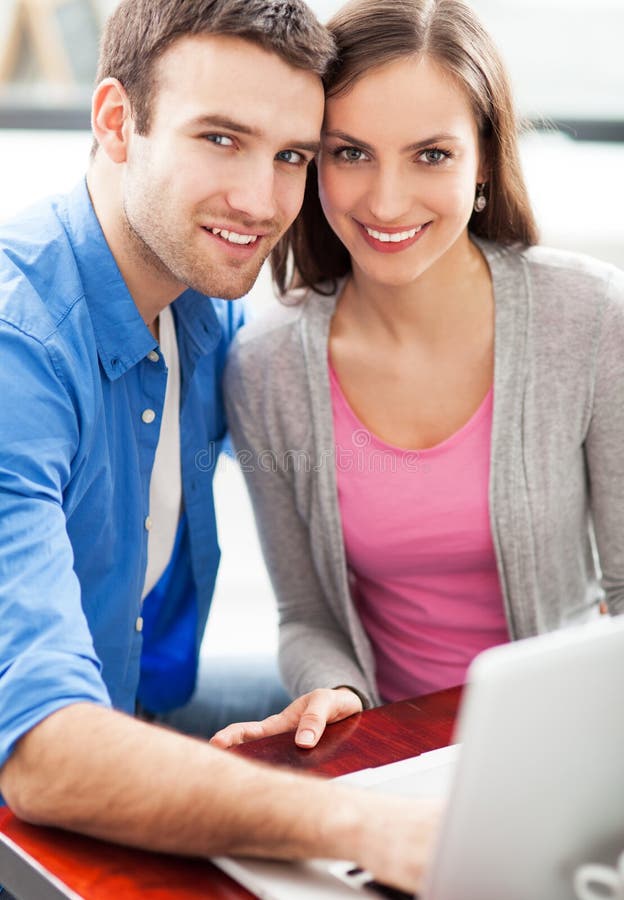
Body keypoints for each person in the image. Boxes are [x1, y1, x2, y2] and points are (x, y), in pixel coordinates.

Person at [0, 1, 441, 893]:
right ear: (119, 123)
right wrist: (371, 829)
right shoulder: (22, 349)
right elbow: (41, 750)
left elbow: (349, 478)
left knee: (374, 715)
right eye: (221, 139)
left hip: (144, 695)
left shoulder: (204, 306)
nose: (262, 202)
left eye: (292, 157)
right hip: (31, 793)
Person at [215, 0, 624, 752]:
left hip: (574, 743)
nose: (387, 201)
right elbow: (306, 617)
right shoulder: (264, 368)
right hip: (386, 759)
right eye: (351, 153)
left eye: (430, 154)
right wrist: (334, 691)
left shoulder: (592, 315)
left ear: (483, 162)